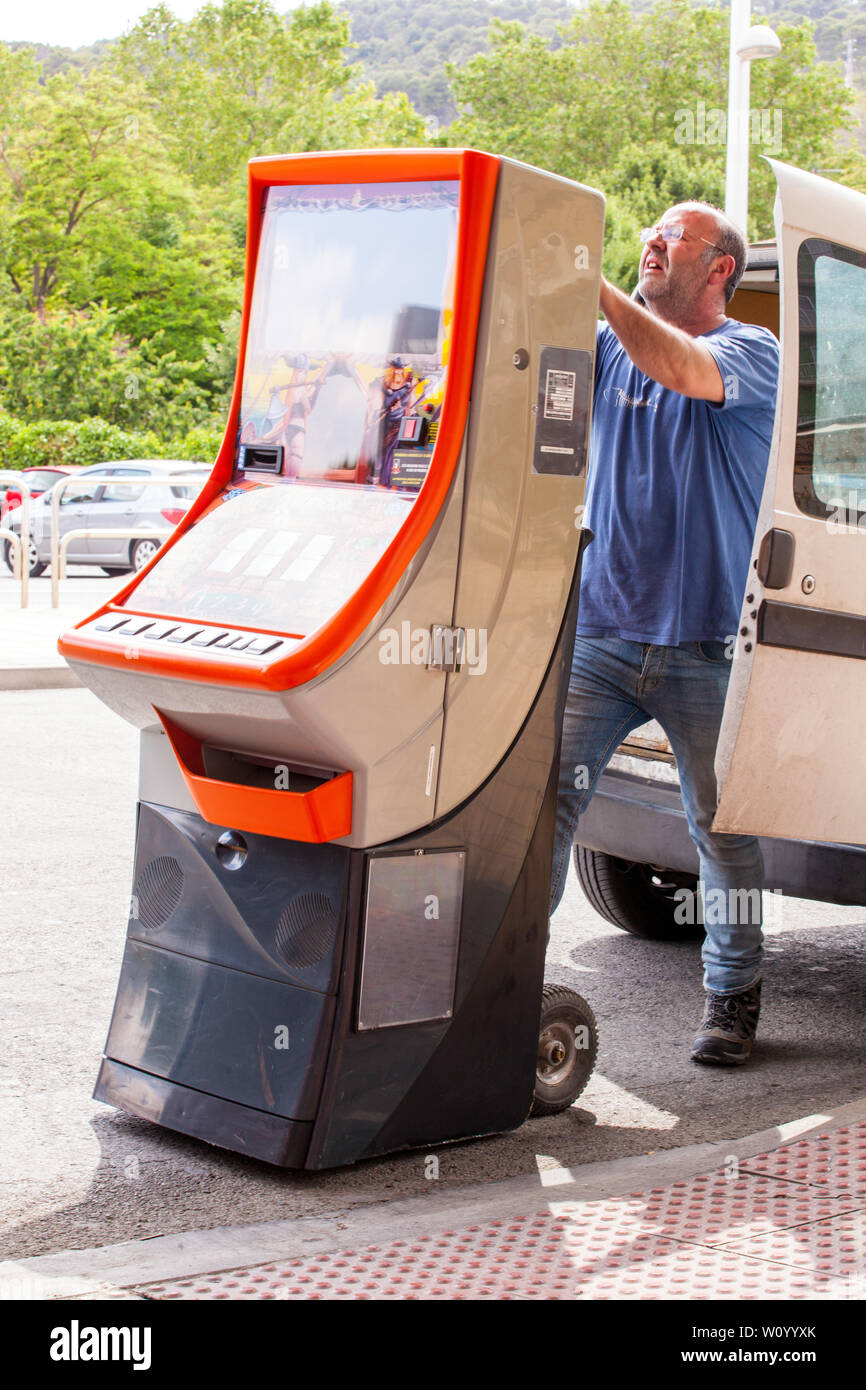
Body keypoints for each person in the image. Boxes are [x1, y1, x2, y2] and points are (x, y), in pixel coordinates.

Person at [551, 201, 780, 1066]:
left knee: (721, 829)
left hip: (706, 643)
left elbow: (682, 368)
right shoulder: (609, 347)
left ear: (719, 266)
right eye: (649, 229)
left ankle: (733, 996)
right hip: (603, 634)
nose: (652, 239)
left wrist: (596, 288)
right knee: (547, 810)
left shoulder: (749, 353)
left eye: (673, 235)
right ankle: (501, 991)